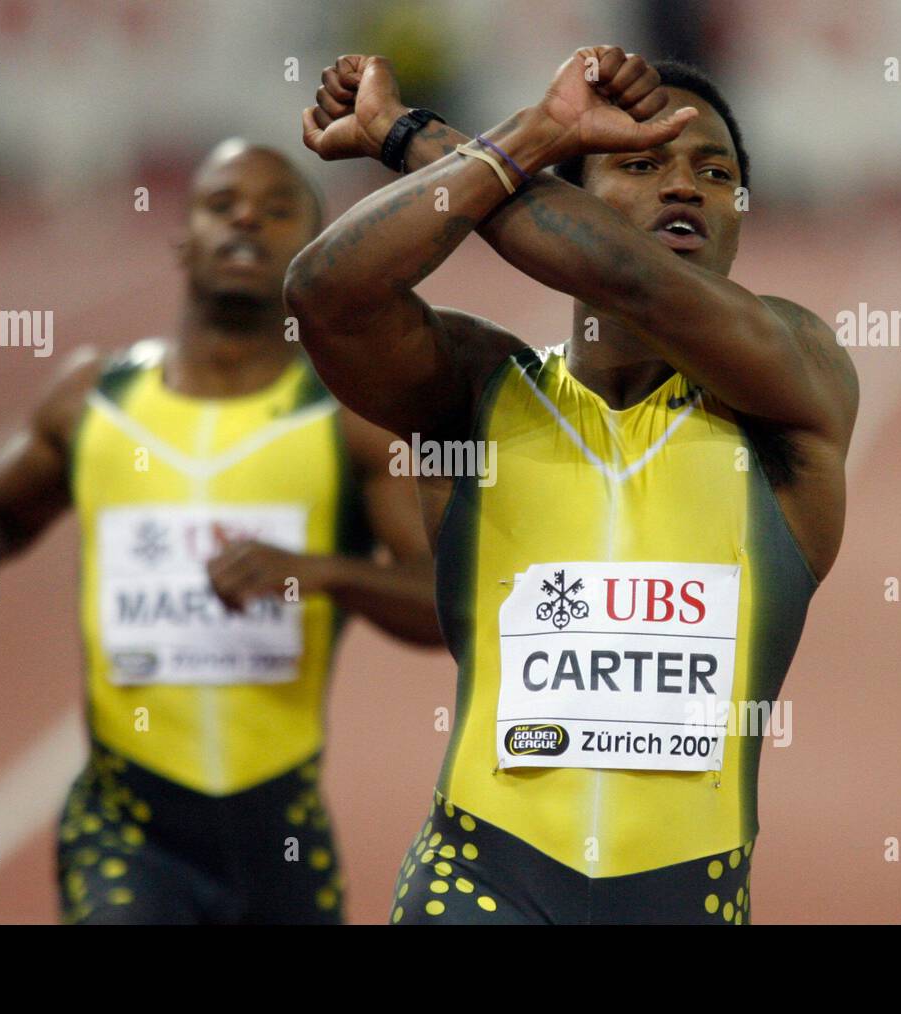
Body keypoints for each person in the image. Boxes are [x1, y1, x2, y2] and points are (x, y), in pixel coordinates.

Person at [285, 48, 858, 924]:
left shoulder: (798, 385)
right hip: (477, 886)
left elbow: (625, 277)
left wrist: (406, 136)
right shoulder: (477, 396)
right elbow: (326, 294)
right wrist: (539, 131)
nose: (683, 187)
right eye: (639, 162)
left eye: (715, 172)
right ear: (565, 196)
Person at [0, 139, 441, 925]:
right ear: (182, 235)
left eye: (275, 211)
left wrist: (321, 572)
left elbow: (443, 602)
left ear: (314, 251)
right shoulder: (94, 400)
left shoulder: (347, 424)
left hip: (281, 828)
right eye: (221, 206)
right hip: (125, 824)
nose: (245, 224)